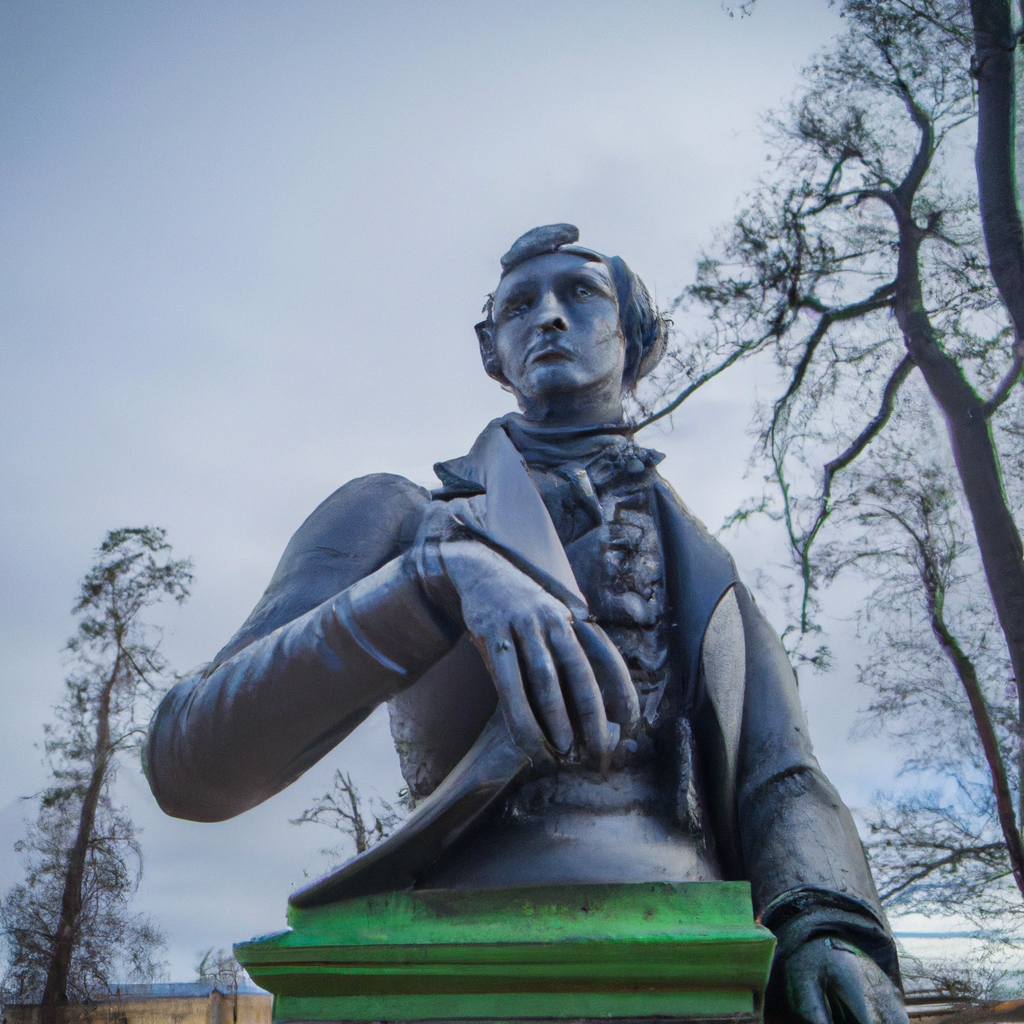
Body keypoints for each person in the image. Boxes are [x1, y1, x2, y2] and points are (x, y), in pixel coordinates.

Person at [145, 225, 908, 1024]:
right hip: (463, 942)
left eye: (580, 293)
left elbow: (781, 775)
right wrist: (433, 582)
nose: (546, 315)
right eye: (518, 305)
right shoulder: (400, 519)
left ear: (633, 335)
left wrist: (827, 927)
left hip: (697, 956)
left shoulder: (712, 576)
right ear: (492, 350)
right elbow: (188, 761)